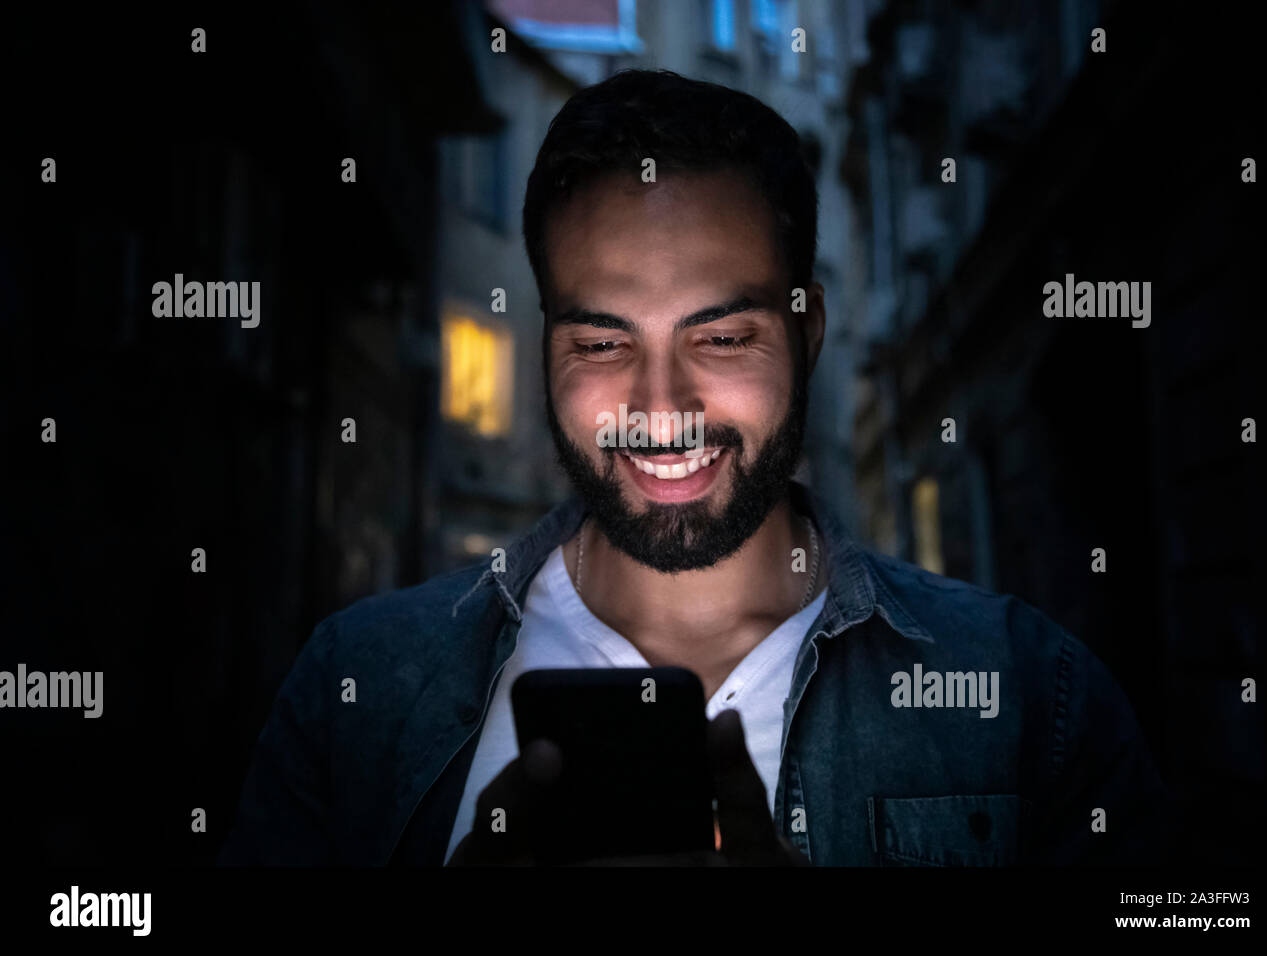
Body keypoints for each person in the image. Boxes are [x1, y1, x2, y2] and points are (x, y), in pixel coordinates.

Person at [219, 69, 1172, 867]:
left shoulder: (1033, 698)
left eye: (720, 336)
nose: (661, 407)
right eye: (601, 344)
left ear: (808, 332)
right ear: (545, 345)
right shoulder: (357, 691)